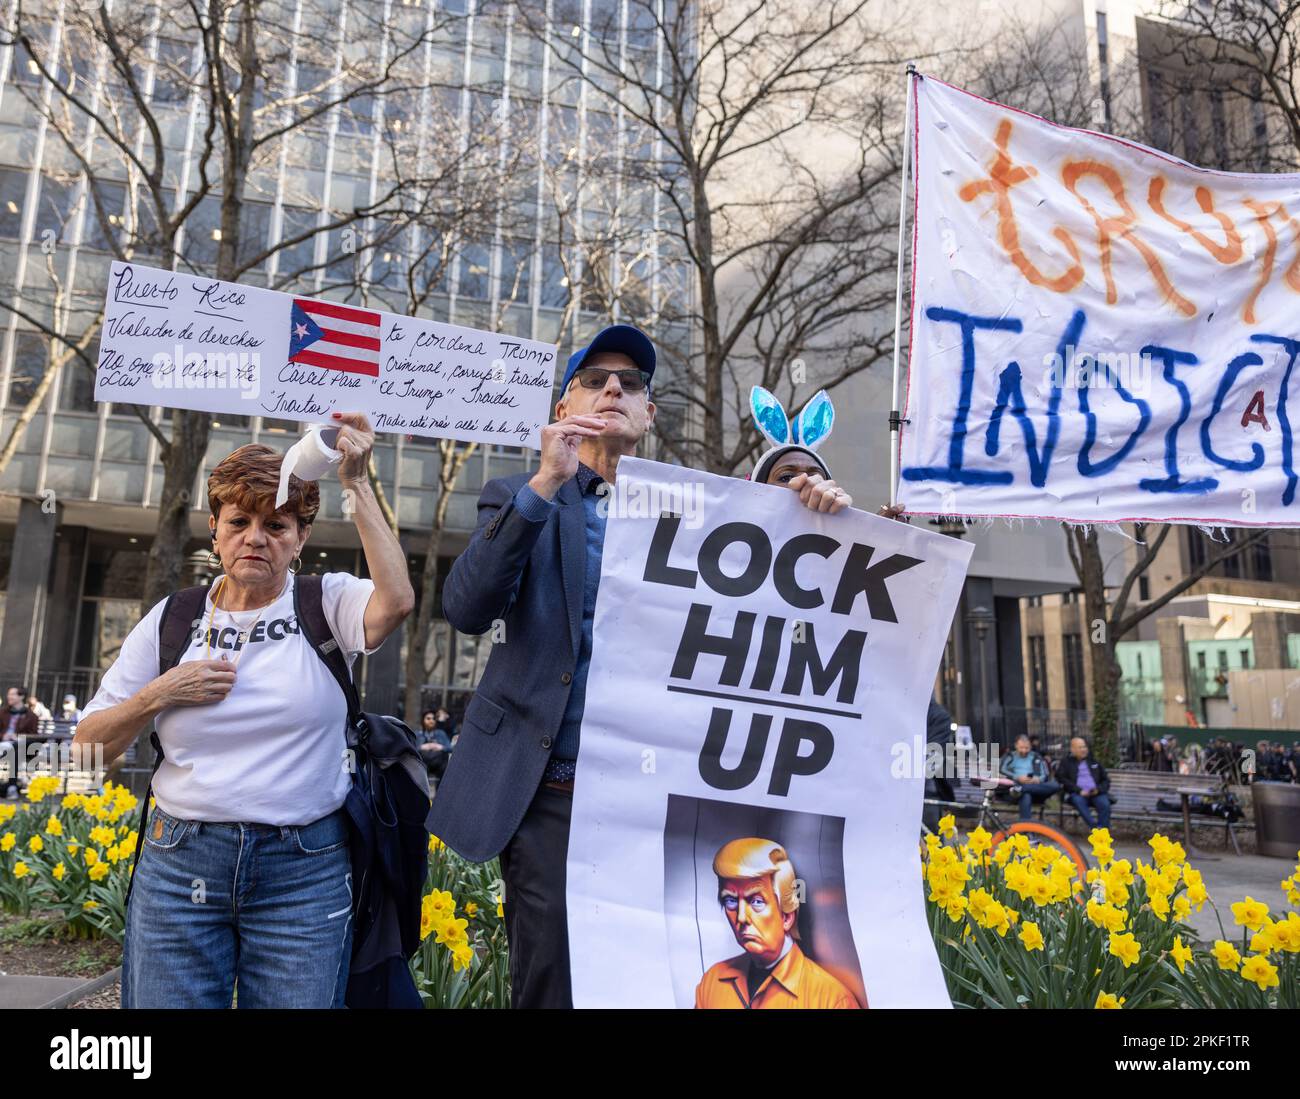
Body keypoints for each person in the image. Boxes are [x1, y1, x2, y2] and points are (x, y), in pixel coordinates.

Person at [428, 326, 858, 1009]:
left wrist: (827, 523)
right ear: (564, 404)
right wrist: (546, 482)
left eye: (630, 385)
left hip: (658, 802)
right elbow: (467, 606)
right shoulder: (519, 495)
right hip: (554, 798)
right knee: (552, 982)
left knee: (651, 982)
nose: (612, 390)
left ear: (649, 415)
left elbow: (786, 621)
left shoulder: (700, 515)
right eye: (594, 378)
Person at [74, 414, 413, 1009]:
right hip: (180, 865)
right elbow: (86, 748)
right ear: (215, 531)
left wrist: (356, 484)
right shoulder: (171, 619)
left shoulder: (326, 603)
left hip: (304, 869)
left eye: (277, 524)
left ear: (300, 538)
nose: (256, 536)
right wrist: (160, 694)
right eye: (240, 522)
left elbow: (397, 602)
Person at [694, 838, 861, 1009]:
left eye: (757, 902)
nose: (741, 917)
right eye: (731, 900)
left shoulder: (832, 1001)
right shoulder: (712, 982)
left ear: (787, 916)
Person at [998, 734, 1060, 821]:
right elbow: (1001, 770)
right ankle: (1026, 831)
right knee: (1026, 795)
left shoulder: (1036, 756)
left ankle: (1021, 789)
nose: (1024, 750)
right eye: (1021, 748)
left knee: (1055, 785)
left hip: (1035, 789)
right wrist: (1017, 777)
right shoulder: (1010, 756)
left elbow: (1045, 774)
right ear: (1016, 746)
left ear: (1030, 746)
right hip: (1013, 791)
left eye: (1027, 748)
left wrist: (1037, 779)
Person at [1056, 735, 1111, 829]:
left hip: (1096, 793)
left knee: (1104, 804)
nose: (1084, 749)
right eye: (1080, 747)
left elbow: (1106, 780)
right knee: (1078, 801)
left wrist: (1098, 790)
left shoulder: (1093, 761)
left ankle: (1103, 831)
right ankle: (1094, 828)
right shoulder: (1066, 762)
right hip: (1078, 793)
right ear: (1072, 749)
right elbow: (1061, 778)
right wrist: (1078, 790)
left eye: (1084, 747)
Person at [417, 709, 452, 784]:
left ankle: (441, 793)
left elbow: (450, 748)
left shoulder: (441, 733)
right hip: (424, 764)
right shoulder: (418, 734)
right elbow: (411, 748)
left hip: (439, 764)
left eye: (433, 719)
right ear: (423, 720)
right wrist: (421, 747)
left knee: (445, 762)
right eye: (428, 718)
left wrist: (440, 747)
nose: (431, 721)